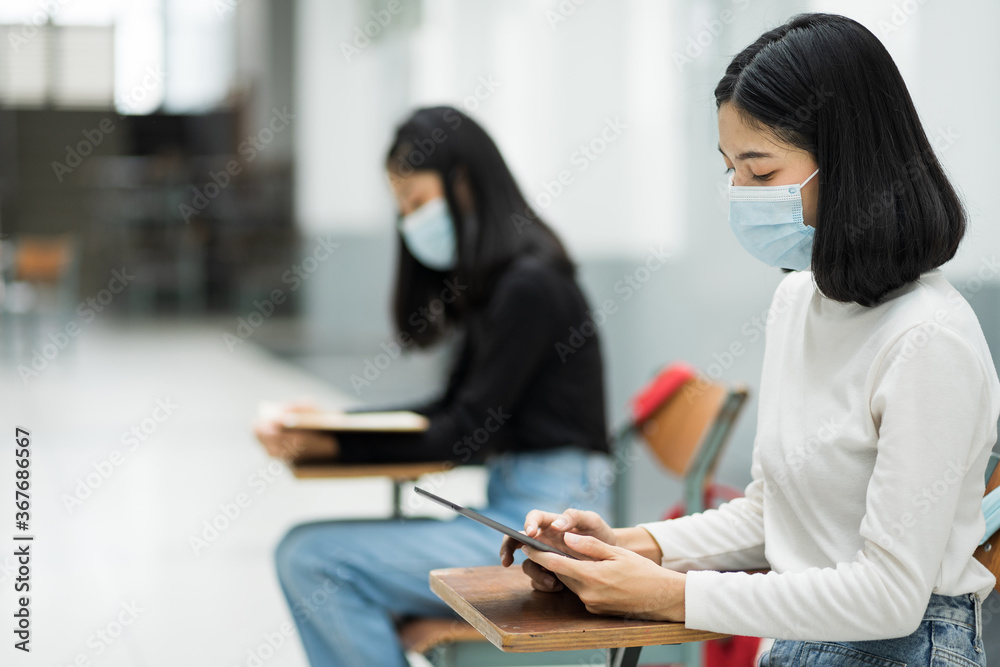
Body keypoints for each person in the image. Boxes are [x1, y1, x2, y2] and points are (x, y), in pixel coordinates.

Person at [502, 13, 999, 667]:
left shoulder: (929, 339)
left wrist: (672, 594)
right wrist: (625, 546)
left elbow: (890, 597)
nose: (738, 193)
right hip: (799, 637)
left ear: (850, 168)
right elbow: (772, 516)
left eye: (760, 173)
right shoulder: (798, 302)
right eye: (729, 167)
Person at [258, 106, 613, 666]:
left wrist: (332, 442)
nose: (409, 221)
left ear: (463, 182)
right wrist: (330, 426)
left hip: (545, 530)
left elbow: (462, 433)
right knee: (311, 554)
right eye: (401, 208)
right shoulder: (506, 282)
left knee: (310, 557)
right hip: (518, 513)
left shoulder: (530, 286)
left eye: (417, 201)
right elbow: (451, 412)